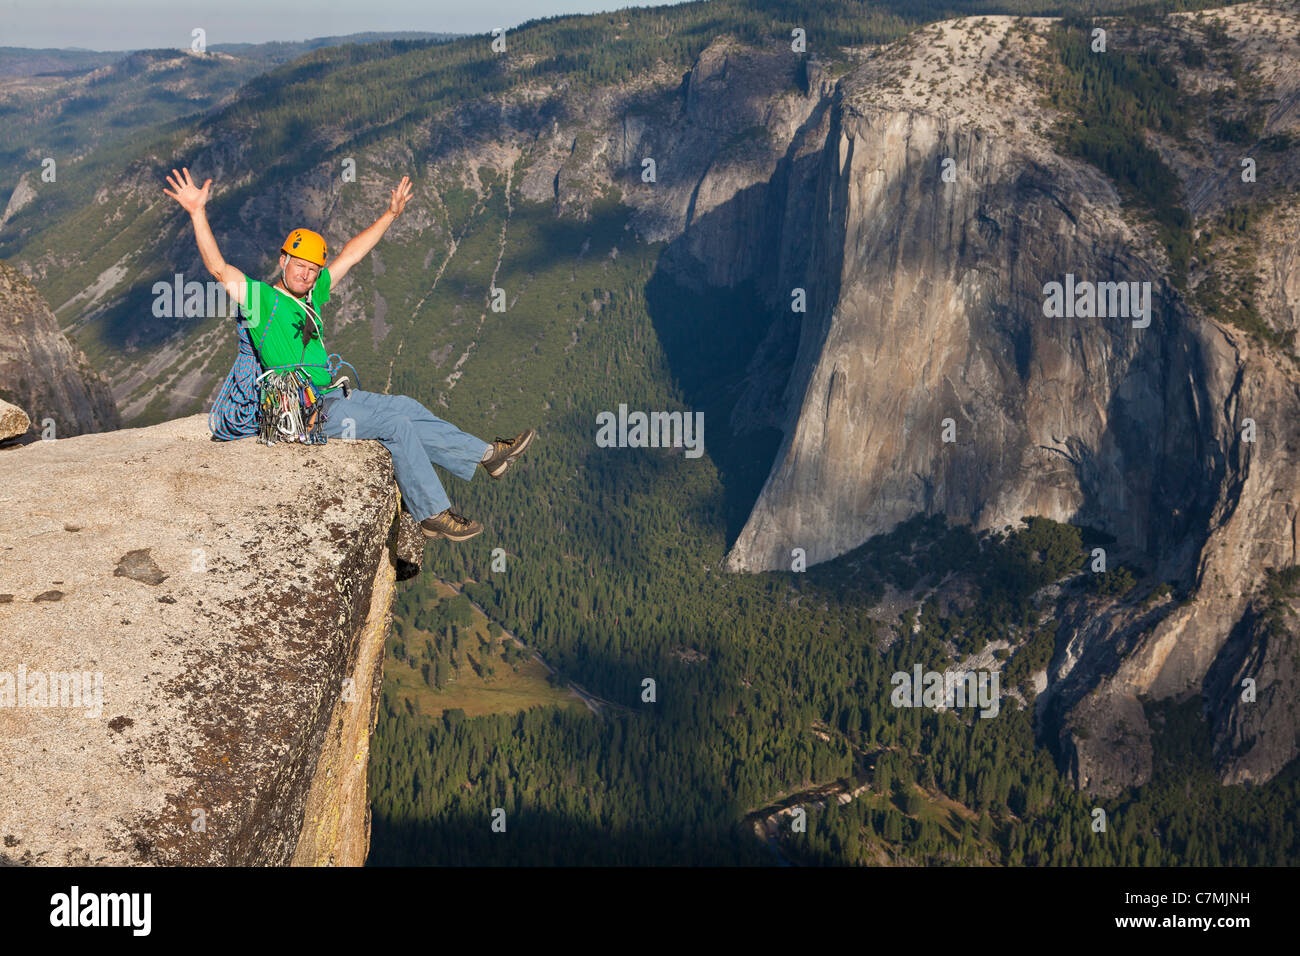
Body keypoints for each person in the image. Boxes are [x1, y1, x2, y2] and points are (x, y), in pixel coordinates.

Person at [162, 166, 533, 542]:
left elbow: (351, 255)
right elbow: (219, 269)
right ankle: (433, 514)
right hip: (305, 408)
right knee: (396, 426)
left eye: (312, 269)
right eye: (300, 266)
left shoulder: (311, 295)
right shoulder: (262, 301)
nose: (307, 276)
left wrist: (390, 215)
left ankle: (488, 456)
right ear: (283, 261)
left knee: (407, 406)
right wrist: (197, 212)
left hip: (331, 394)